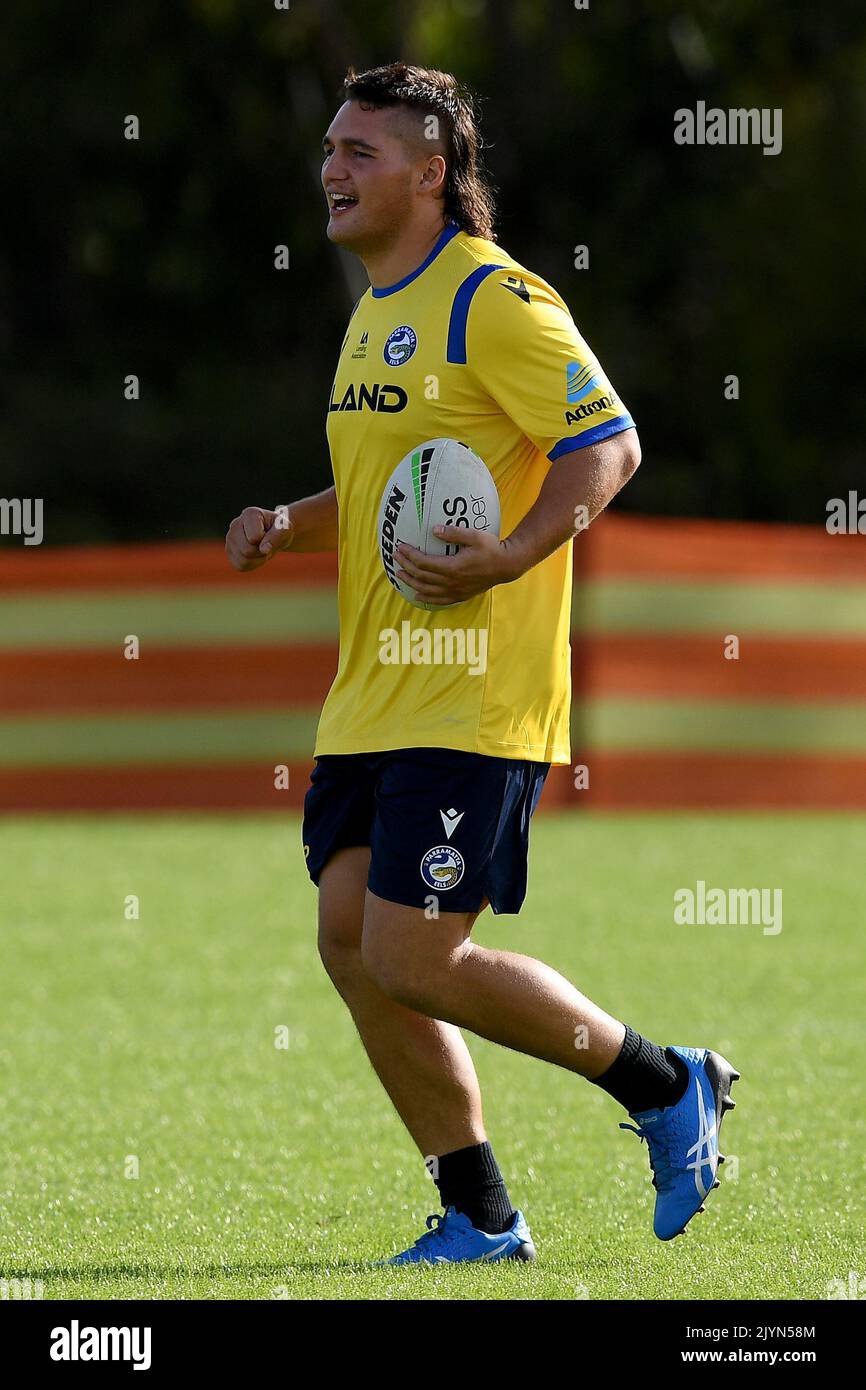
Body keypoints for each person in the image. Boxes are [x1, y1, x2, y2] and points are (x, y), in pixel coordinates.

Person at [225, 61, 739, 1263]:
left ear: (430, 173)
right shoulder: (370, 310)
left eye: (362, 151)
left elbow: (606, 448)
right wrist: (284, 523)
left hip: (472, 691)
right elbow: (387, 488)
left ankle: (667, 1083)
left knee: (414, 951)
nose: (333, 170)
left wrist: (508, 553)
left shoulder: (490, 300)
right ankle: (477, 1211)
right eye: (330, 149)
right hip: (371, 695)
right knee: (353, 946)